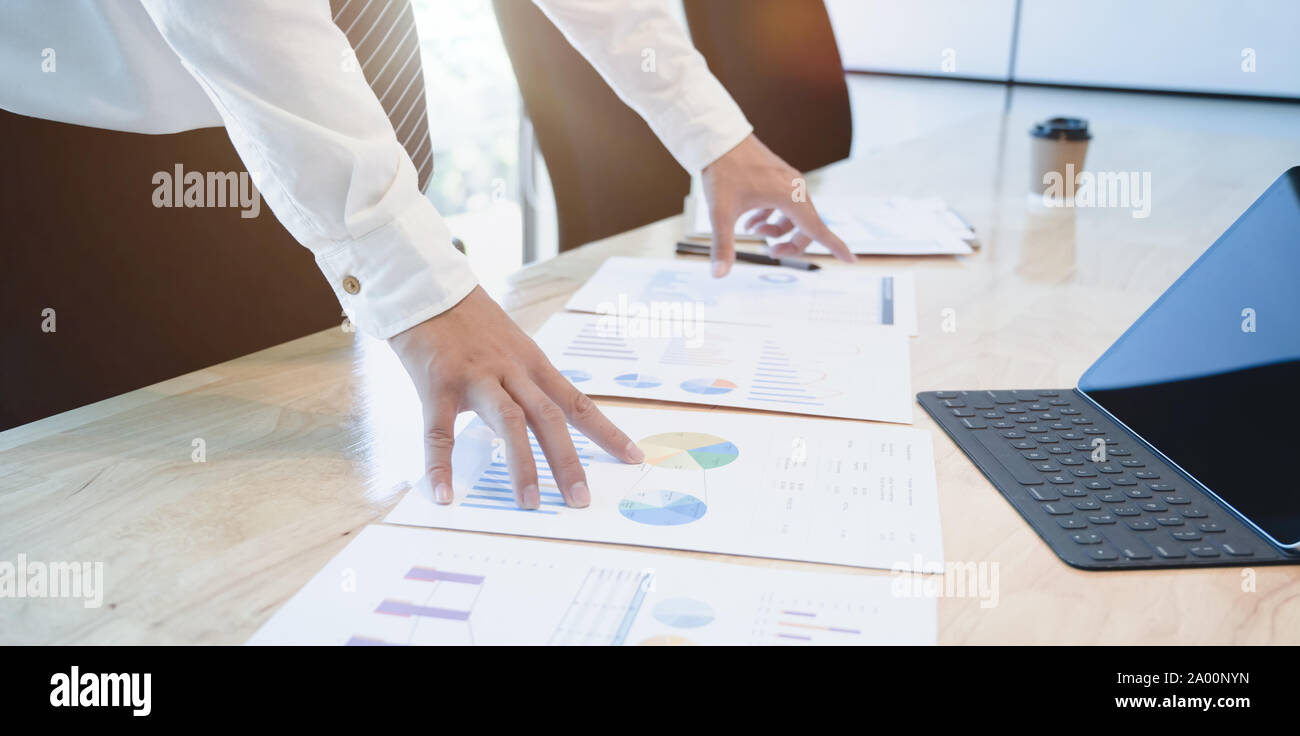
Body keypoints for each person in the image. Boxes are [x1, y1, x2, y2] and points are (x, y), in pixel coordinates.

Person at [0, 0, 853, 509]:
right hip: (93, 150)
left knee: (312, 502)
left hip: (324, 148)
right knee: (121, 510)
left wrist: (711, 133)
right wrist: (421, 291)